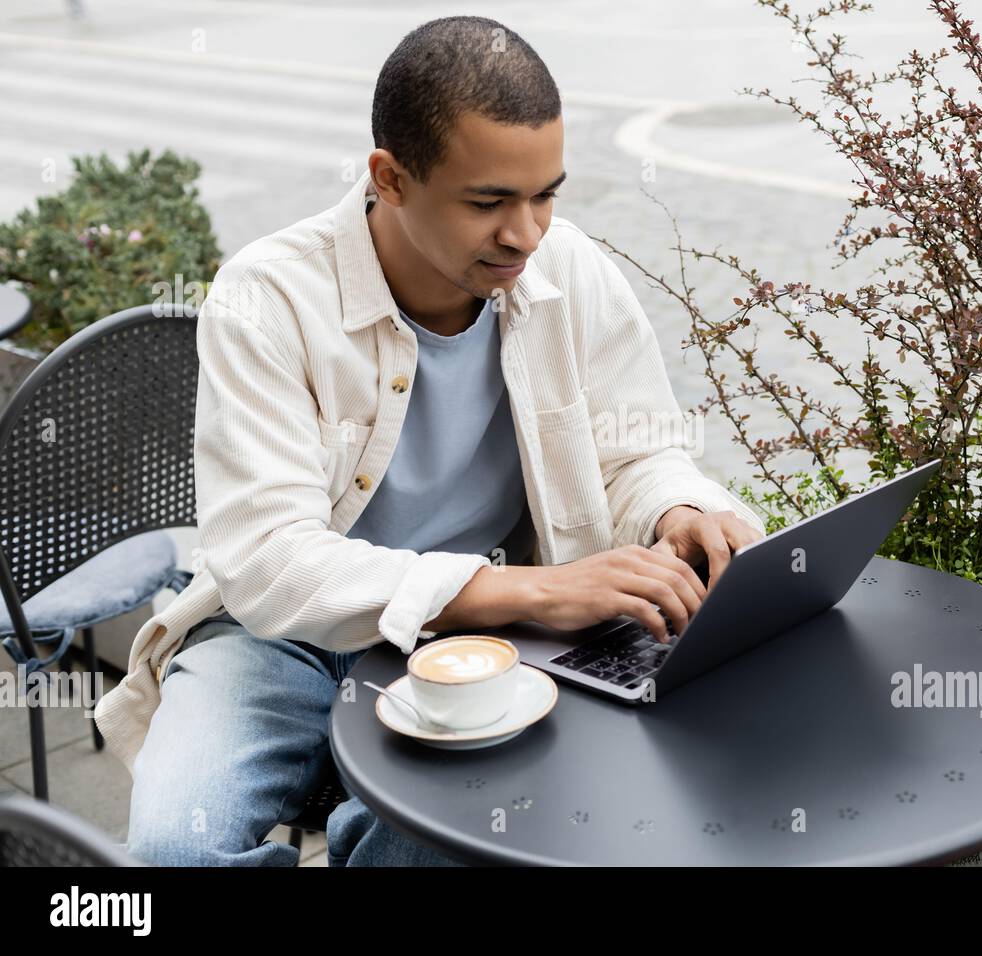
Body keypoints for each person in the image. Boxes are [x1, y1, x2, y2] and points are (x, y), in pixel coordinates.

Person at [102, 15, 765, 867]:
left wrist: (681, 507)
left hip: (493, 643)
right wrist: (531, 590)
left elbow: (636, 452)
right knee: (169, 854)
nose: (527, 233)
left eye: (546, 194)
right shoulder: (266, 298)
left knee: (438, 841)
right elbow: (268, 564)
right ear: (391, 177)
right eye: (489, 201)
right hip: (280, 637)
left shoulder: (571, 270)